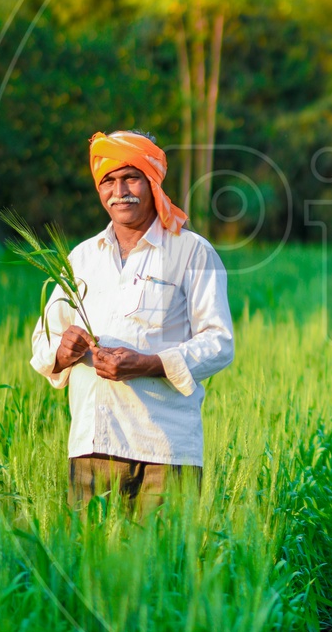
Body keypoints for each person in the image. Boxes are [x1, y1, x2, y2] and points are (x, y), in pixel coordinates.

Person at [29, 129, 234, 517]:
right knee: (93, 571)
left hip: (165, 450)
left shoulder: (191, 251)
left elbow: (220, 342)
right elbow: (43, 341)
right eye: (108, 180)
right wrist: (63, 350)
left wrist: (148, 364)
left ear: (152, 181)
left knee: (164, 571)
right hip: (93, 447)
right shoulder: (82, 257)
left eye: (131, 177)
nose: (119, 190)